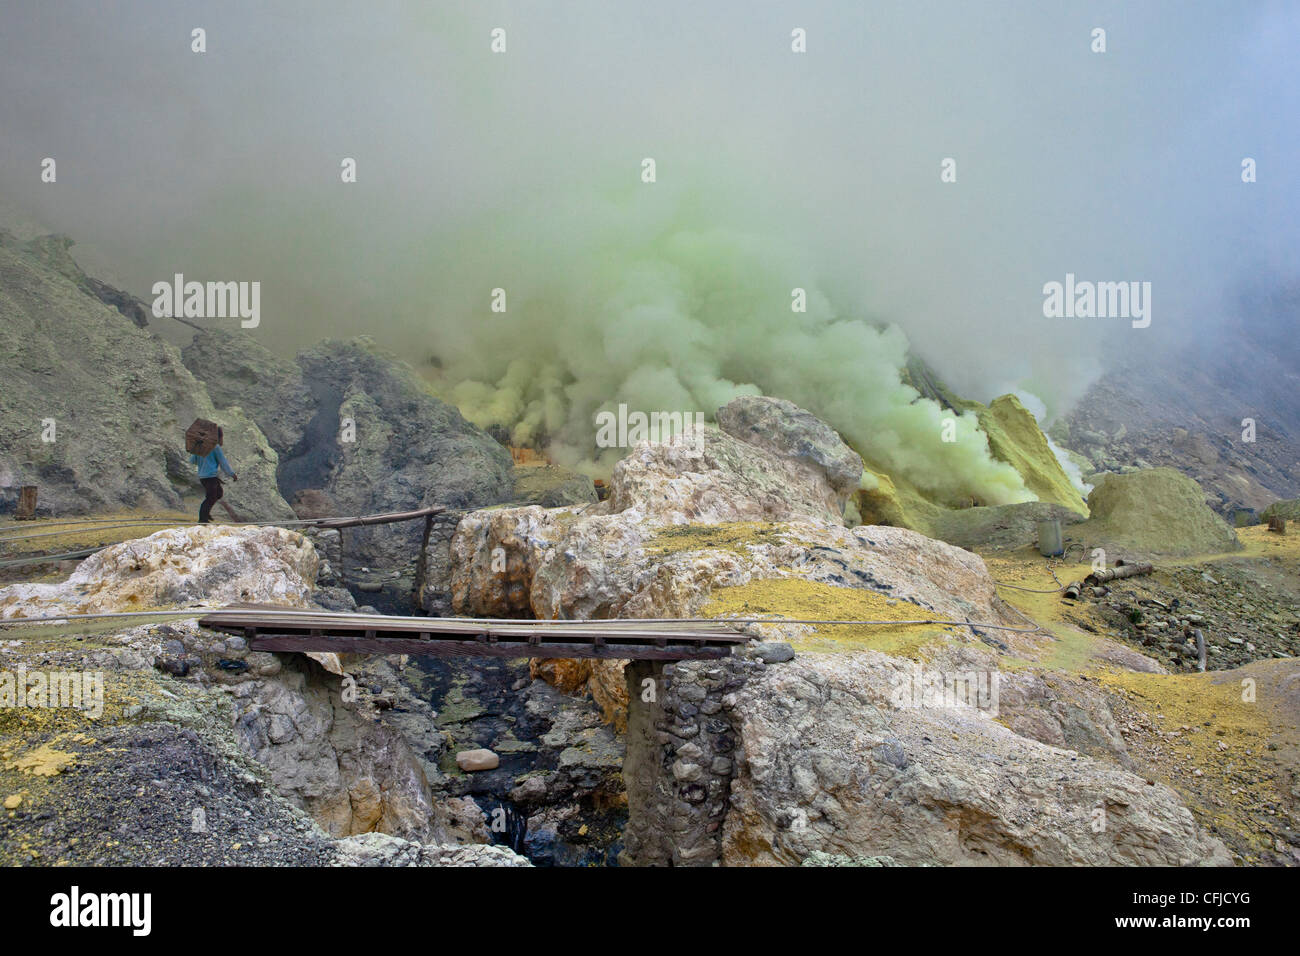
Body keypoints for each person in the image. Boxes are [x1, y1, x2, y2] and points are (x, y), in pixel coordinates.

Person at [190, 427, 238, 523]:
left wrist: (203, 461)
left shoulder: (200, 446)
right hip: (210, 477)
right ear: (218, 438)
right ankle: (203, 519)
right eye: (221, 437)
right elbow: (223, 463)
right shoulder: (215, 447)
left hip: (203, 477)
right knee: (211, 497)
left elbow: (192, 460)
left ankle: (206, 514)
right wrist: (232, 474)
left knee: (218, 493)